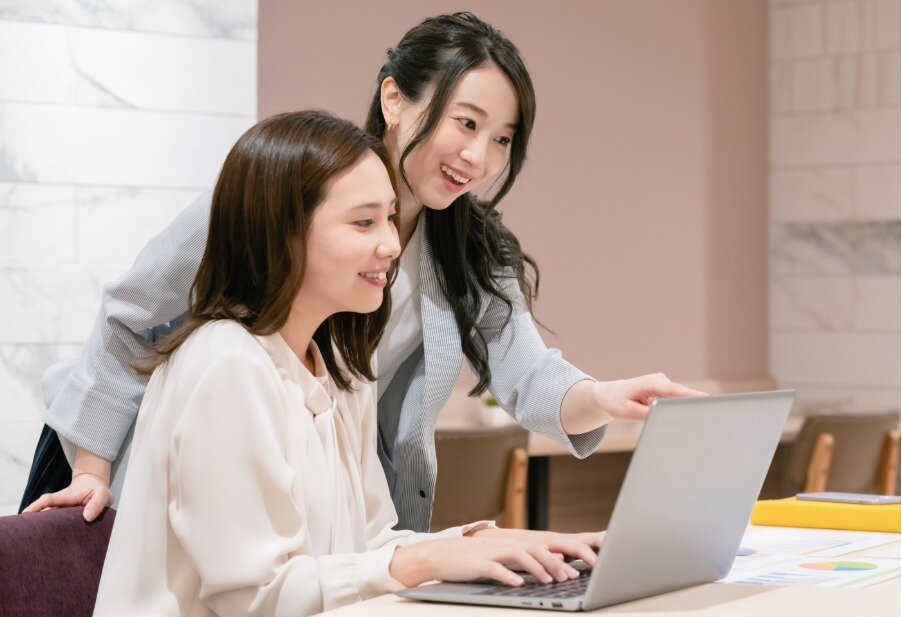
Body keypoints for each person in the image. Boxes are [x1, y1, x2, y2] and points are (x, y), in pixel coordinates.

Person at [23, 12, 703, 531]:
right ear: (394, 99)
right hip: (147, 470)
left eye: (502, 138)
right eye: (466, 123)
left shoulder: (472, 249)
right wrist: (92, 472)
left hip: (314, 497)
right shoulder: (288, 189)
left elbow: (526, 374)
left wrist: (607, 397)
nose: (479, 157)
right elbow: (131, 319)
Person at [91, 110, 602, 616]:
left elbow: (371, 544)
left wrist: (491, 544)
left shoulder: (340, 367)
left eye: (390, 218)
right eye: (364, 222)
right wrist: (430, 559)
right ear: (283, 232)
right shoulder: (226, 364)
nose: (391, 244)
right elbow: (254, 597)